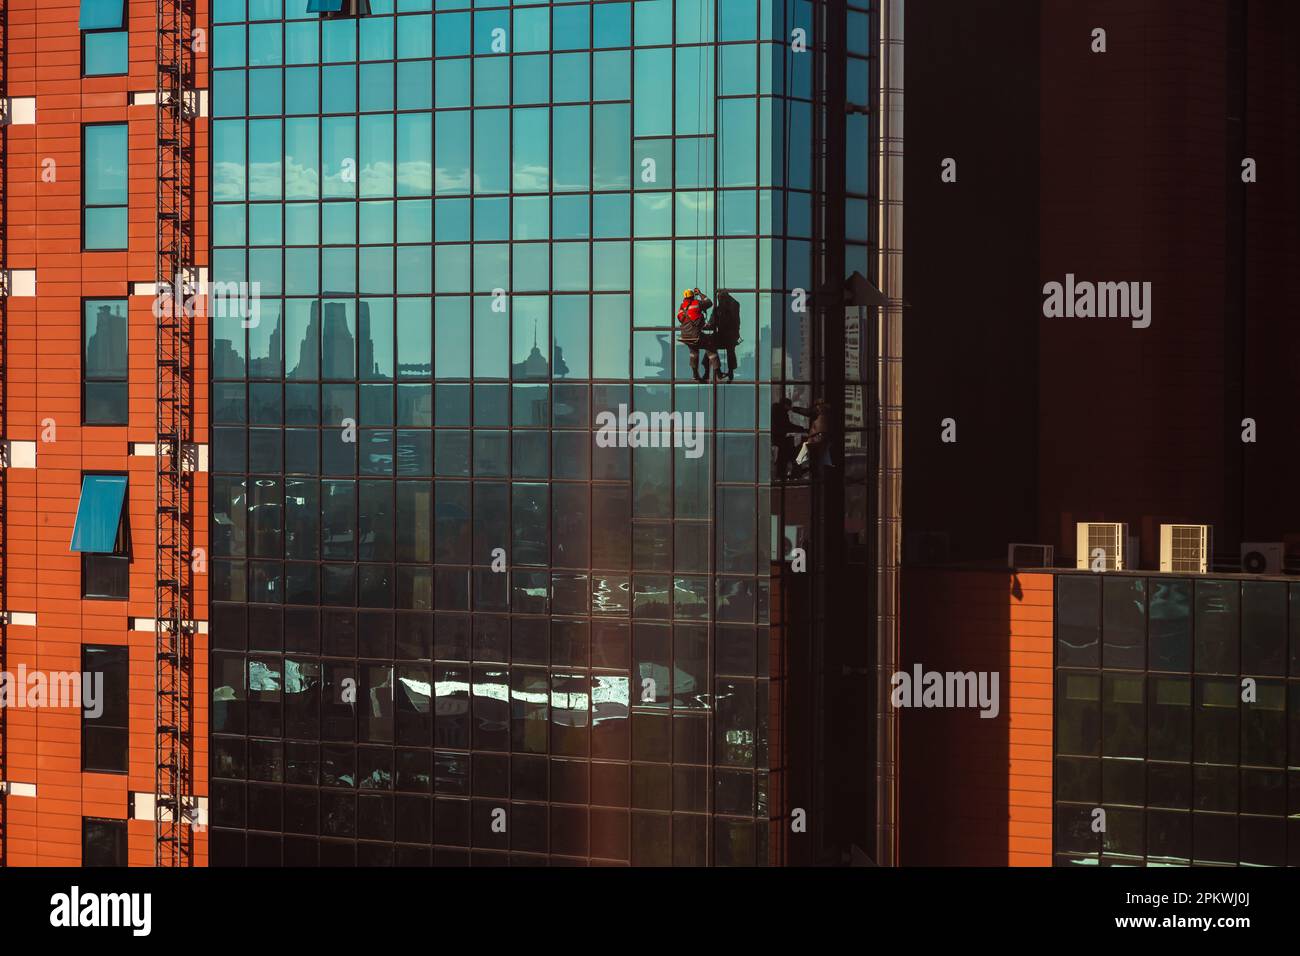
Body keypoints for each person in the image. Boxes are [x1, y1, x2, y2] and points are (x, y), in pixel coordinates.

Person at [676, 288, 716, 382]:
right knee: (710, 347)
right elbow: (709, 302)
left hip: (685, 336)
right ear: (693, 296)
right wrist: (700, 293)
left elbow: (681, 319)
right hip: (695, 335)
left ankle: (695, 375)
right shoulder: (696, 303)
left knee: (693, 352)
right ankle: (718, 372)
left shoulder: (681, 307)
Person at [710, 291, 742, 382]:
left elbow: (735, 305)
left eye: (721, 297)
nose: (719, 299)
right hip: (722, 335)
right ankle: (717, 371)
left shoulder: (732, 307)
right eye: (719, 297)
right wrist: (709, 324)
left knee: (730, 351)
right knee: (710, 346)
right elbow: (712, 321)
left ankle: (729, 371)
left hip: (730, 335)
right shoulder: (718, 309)